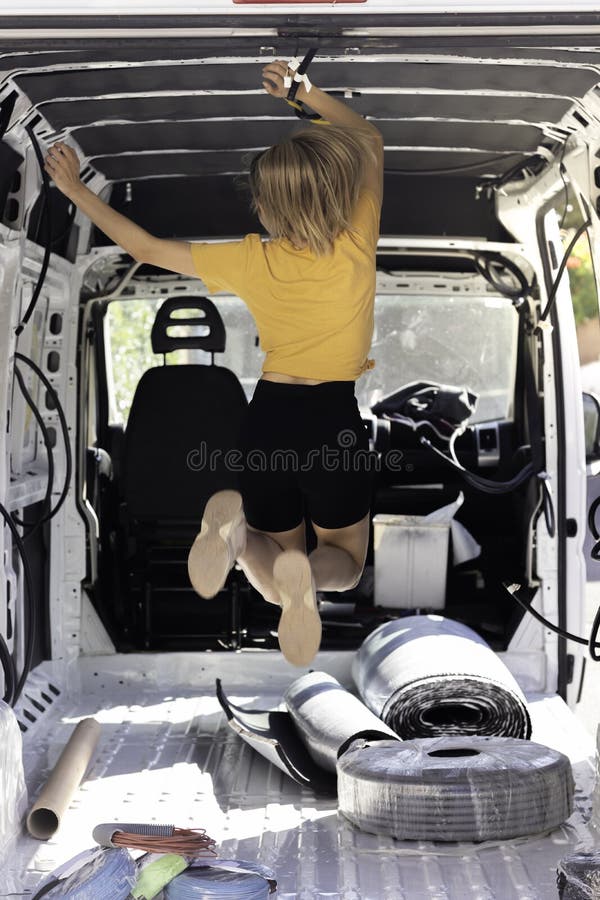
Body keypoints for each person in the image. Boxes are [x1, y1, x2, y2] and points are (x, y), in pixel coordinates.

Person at [45, 58, 383, 667]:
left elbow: (144, 247)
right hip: (332, 417)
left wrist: (72, 188)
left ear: (265, 207)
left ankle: (233, 528)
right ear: (336, 186)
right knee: (344, 564)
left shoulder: (249, 258)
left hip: (269, 420)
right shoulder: (357, 234)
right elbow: (367, 136)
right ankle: (284, 562)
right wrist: (300, 93)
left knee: (278, 558)